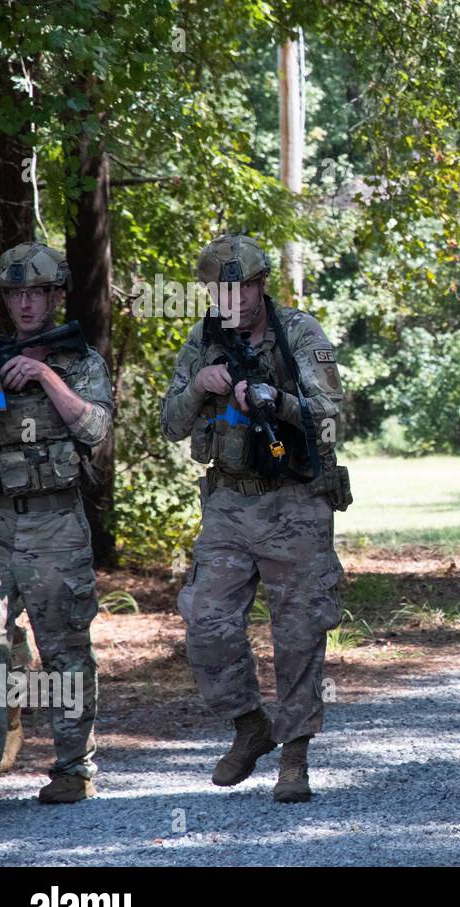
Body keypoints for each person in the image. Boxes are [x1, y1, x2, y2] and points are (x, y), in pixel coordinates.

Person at [161, 233, 349, 803]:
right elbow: (170, 423)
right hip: (229, 501)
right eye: (220, 289)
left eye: (241, 286)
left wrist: (273, 399)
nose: (232, 298)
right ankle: (250, 726)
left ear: (262, 285)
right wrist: (200, 386)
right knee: (207, 624)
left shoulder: (299, 333)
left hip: (295, 500)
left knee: (298, 632)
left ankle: (295, 756)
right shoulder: (202, 340)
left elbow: (332, 416)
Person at [0, 243, 113, 811]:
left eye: (37, 292)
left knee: (64, 649)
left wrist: (42, 374)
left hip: (56, 523)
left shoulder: (79, 360)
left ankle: (73, 768)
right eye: (16, 294)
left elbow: (96, 431)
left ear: (57, 295)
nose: (27, 304)